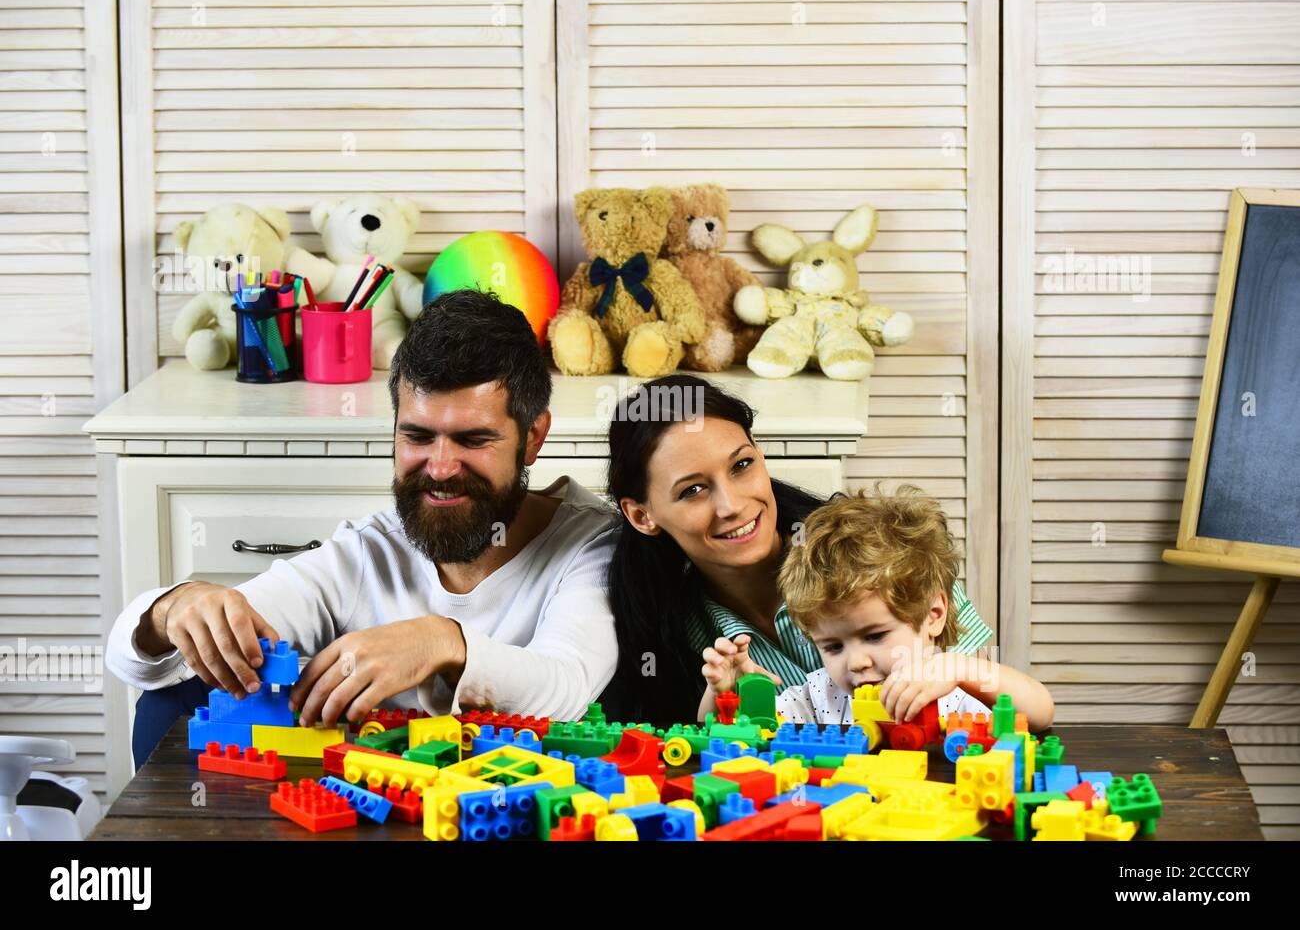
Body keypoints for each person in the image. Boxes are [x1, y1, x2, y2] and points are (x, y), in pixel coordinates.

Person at [106, 291, 619, 727]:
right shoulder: (369, 550)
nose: (440, 467)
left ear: (532, 437)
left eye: (473, 439)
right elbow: (141, 667)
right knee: (168, 703)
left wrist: (441, 642)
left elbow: (566, 687)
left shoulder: (593, 544)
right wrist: (174, 609)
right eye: (418, 436)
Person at [600, 374, 993, 727]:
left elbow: (996, 703)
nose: (732, 505)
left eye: (741, 465)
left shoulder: (873, 554)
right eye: (693, 490)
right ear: (641, 516)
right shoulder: (672, 631)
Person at [699, 487, 1055, 732]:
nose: (855, 663)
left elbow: (1039, 712)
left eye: (875, 635)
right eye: (833, 646)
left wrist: (960, 668)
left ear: (933, 615)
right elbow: (736, 730)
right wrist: (724, 696)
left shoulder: (952, 688)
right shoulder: (820, 697)